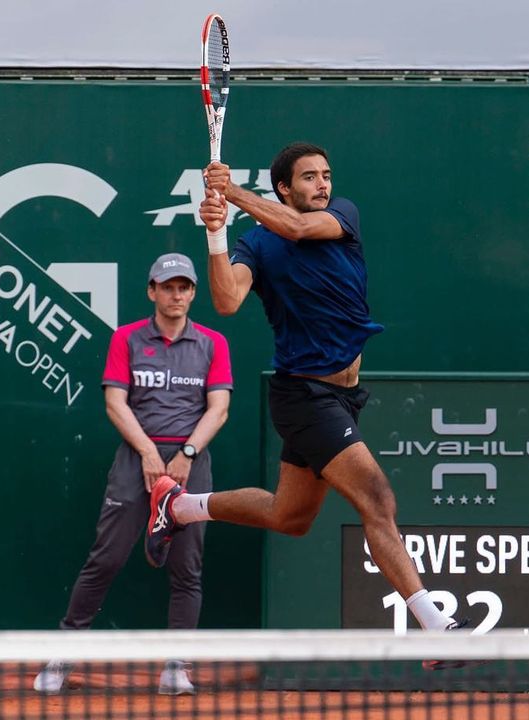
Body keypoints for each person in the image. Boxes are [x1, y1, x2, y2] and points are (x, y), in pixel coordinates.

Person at [145, 142, 462, 647]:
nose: (323, 185)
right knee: (377, 498)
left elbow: (295, 228)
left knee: (288, 517)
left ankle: (179, 507)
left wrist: (231, 192)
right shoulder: (257, 245)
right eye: (310, 178)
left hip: (342, 396)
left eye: (326, 175)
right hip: (303, 396)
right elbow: (226, 300)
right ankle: (436, 628)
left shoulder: (341, 216)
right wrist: (216, 233)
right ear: (284, 188)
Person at [34, 252, 232, 696]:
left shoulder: (213, 344)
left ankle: (176, 667)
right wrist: (146, 451)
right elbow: (114, 403)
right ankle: (63, 655)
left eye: (184, 287)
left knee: (187, 568)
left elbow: (218, 409)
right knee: (105, 559)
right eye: (168, 287)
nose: (176, 295)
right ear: (152, 291)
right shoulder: (126, 340)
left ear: (193, 293)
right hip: (135, 463)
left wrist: (186, 453)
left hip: (190, 465)